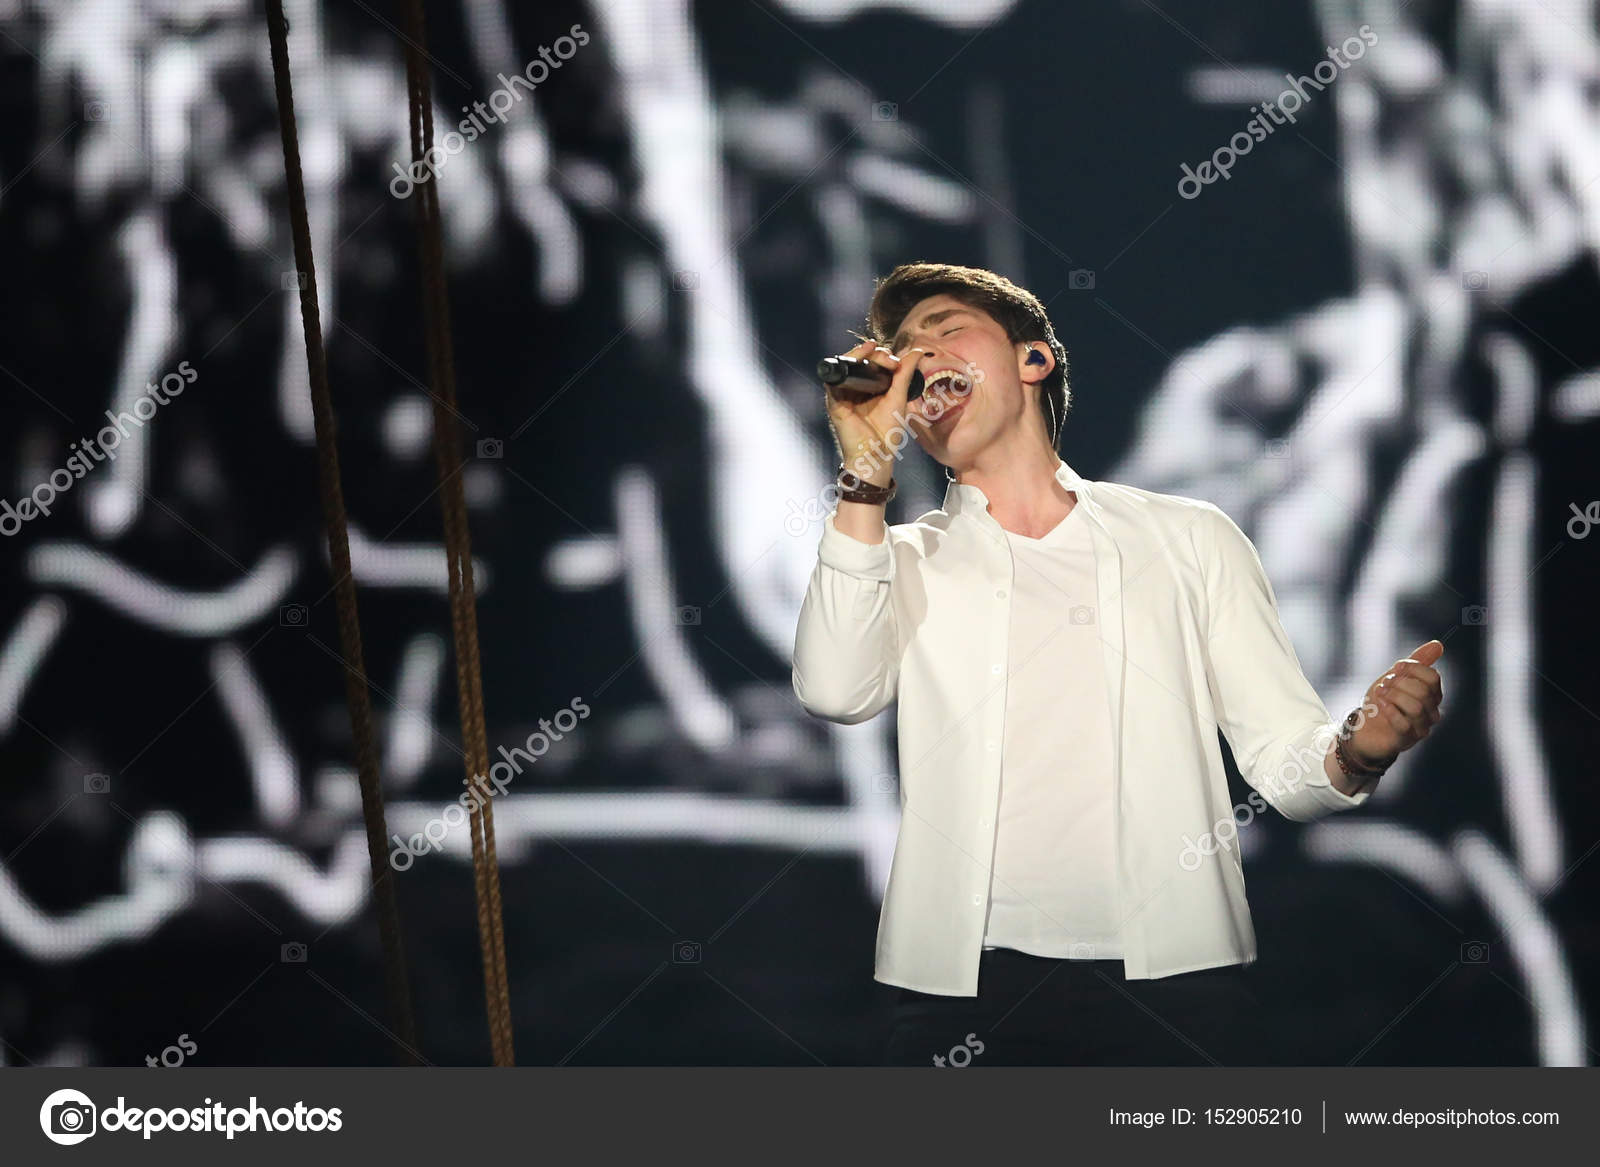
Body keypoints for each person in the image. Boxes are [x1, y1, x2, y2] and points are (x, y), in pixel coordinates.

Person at [790, 262, 1445, 1066]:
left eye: (944, 328)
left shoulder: (1189, 538)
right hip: (962, 996)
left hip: (1175, 990)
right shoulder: (903, 560)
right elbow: (833, 688)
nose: (918, 355)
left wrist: (1355, 749)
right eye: (900, 350)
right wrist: (863, 478)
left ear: (1034, 360)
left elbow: (1282, 761)